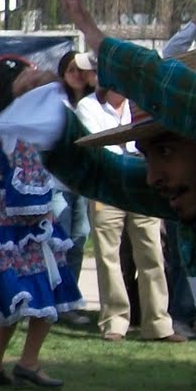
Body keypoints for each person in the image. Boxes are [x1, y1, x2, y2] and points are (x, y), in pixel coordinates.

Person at [44, 0, 196, 364]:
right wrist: (50, 123)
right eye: (145, 154)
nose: (152, 178)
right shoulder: (193, 195)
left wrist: (106, 47)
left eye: (165, 150)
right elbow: (103, 173)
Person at [0, 56, 84, 387]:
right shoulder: (21, 128)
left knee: (15, 293)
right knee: (44, 287)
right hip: (19, 220)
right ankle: (29, 362)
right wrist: (45, 210)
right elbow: (28, 178)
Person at [76, 80, 180, 344]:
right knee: (108, 256)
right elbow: (97, 146)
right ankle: (115, 322)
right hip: (107, 186)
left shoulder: (142, 104)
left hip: (140, 183)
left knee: (152, 252)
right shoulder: (87, 106)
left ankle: (157, 323)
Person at [50, 51, 96, 284]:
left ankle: (71, 298)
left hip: (82, 185)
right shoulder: (56, 102)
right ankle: (56, 300)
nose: (77, 75)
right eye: (71, 70)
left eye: (81, 70)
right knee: (61, 239)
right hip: (58, 183)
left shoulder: (96, 102)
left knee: (80, 238)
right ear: (62, 73)